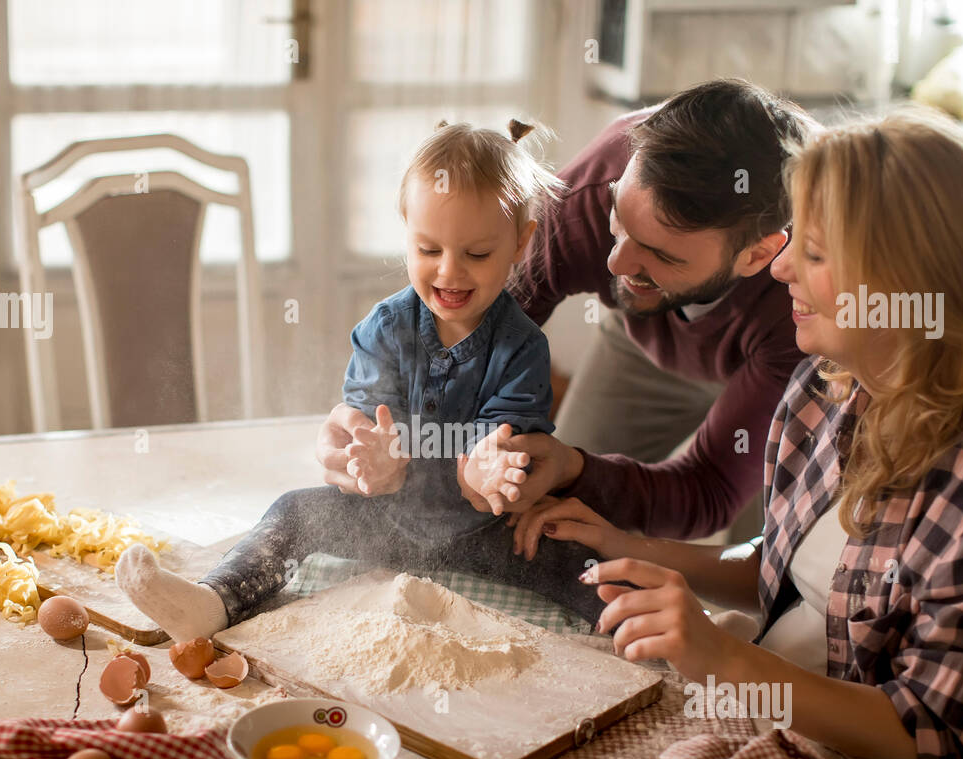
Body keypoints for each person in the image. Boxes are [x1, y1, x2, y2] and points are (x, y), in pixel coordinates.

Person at [510, 108, 963, 759]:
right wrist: (635, 548)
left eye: (812, 254)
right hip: (793, 747)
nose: (779, 270)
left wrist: (717, 656)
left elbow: (929, 740)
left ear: (903, 281)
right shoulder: (834, 382)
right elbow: (793, 573)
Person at [115, 120, 608, 642]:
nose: (449, 272)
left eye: (477, 254)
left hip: (483, 531)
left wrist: (492, 475)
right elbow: (368, 420)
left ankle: (628, 622)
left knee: (568, 551)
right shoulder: (387, 326)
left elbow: (503, 443)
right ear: (406, 231)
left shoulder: (523, 346)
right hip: (384, 519)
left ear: (520, 243)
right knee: (293, 512)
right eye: (428, 249)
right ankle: (215, 600)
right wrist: (371, 459)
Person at [317, 78, 814, 541]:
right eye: (618, 221)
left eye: (661, 254)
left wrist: (576, 467)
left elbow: (710, 490)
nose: (615, 263)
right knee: (541, 496)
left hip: (775, 364)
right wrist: (369, 432)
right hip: (641, 332)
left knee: (768, 552)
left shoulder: (809, 305)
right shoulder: (584, 199)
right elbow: (455, 354)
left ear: (759, 254)